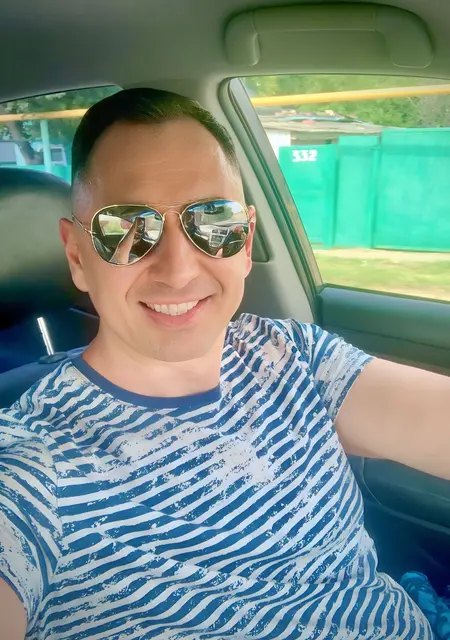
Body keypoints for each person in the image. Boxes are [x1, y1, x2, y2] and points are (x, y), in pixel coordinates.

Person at [0, 87, 448, 640]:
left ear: (245, 239)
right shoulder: (32, 466)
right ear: (77, 254)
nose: (177, 269)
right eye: (127, 227)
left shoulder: (293, 356)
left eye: (214, 220)